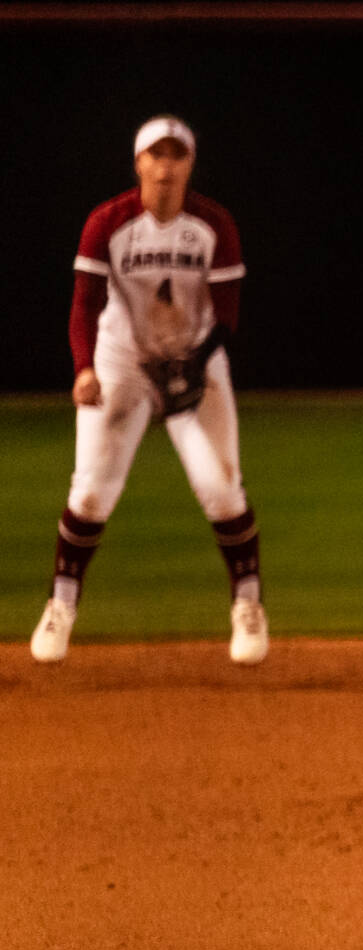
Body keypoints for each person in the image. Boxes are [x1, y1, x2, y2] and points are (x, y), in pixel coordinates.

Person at [31, 116, 267, 667]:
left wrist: (196, 364)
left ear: (190, 164)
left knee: (221, 487)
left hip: (196, 358)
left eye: (175, 155)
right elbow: (85, 303)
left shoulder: (213, 224)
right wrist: (84, 368)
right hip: (124, 363)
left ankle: (249, 605)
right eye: (154, 155)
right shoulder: (107, 222)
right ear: (137, 163)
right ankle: (61, 605)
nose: (165, 166)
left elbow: (227, 317)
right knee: (90, 492)